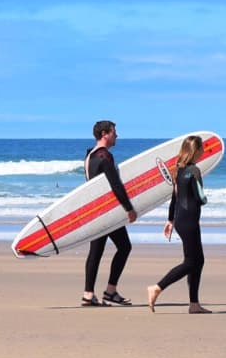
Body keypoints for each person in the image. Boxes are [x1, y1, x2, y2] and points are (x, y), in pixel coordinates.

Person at [148, 135, 211, 314]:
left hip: (180, 220)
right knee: (193, 262)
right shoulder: (194, 171)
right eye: (202, 149)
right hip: (190, 220)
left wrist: (170, 220)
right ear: (196, 151)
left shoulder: (178, 170)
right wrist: (204, 199)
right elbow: (200, 197)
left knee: (196, 261)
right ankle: (157, 287)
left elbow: (174, 198)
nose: (203, 152)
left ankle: (194, 304)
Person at [80, 119, 138, 306]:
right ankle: (110, 291)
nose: (117, 135)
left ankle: (88, 294)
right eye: (114, 132)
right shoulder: (105, 156)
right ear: (105, 134)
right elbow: (115, 185)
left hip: (95, 210)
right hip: (106, 212)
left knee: (96, 252)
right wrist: (129, 208)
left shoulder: (90, 155)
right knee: (124, 247)